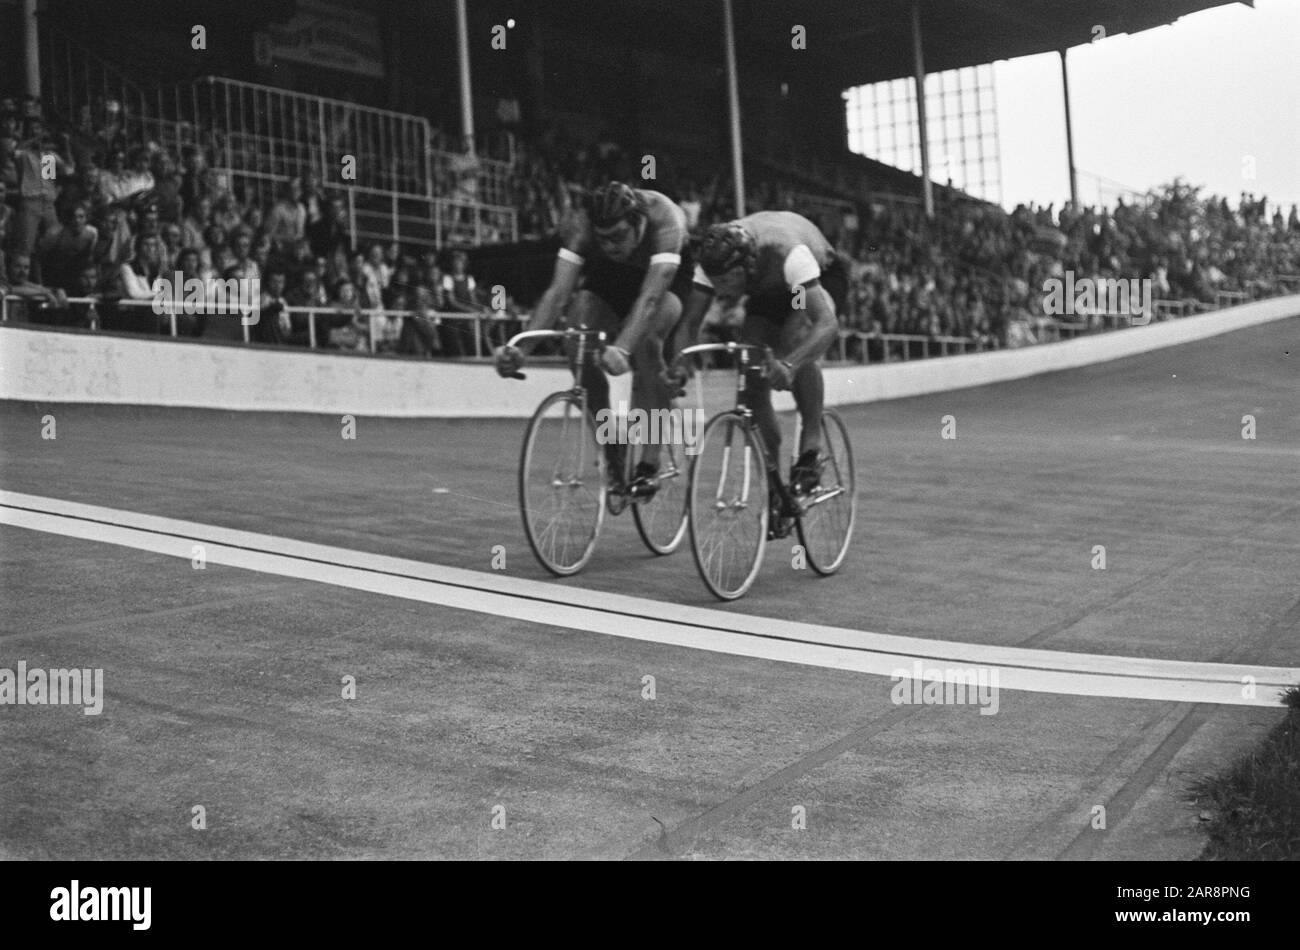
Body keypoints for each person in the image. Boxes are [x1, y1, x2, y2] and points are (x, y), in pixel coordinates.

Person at [493, 181, 709, 497]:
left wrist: (623, 347)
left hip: (666, 281)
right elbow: (557, 294)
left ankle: (650, 461)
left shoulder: (667, 220)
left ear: (639, 222)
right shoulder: (581, 226)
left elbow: (650, 298)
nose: (609, 245)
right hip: (610, 278)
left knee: (647, 344)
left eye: (618, 236)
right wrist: (520, 348)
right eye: (603, 238)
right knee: (576, 340)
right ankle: (611, 440)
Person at [679, 212, 846, 536]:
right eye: (717, 284)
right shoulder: (713, 262)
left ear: (746, 266)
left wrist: (790, 365)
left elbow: (827, 325)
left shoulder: (789, 254)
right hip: (767, 291)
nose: (722, 292)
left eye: (728, 282)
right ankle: (775, 480)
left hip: (817, 278)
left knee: (794, 340)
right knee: (749, 359)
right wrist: (680, 362)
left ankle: (811, 446)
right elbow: (689, 324)